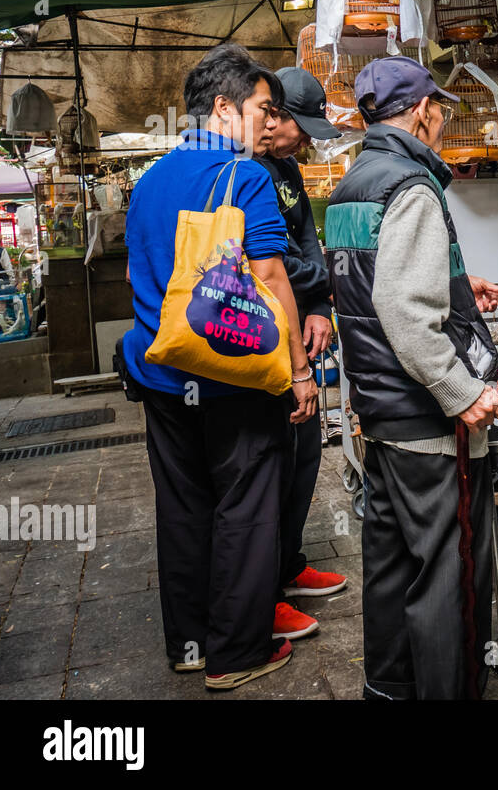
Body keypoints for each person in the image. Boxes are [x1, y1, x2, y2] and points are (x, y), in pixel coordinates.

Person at [121, 44, 318, 690]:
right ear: (225, 106)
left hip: (161, 371)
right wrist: (298, 371)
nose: (270, 121)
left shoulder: (150, 179)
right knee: (246, 505)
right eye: (264, 108)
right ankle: (238, 651)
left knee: (183, 506)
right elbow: (268, 273)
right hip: (232, 375)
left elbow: (141, 276)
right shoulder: (248, 175)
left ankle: (190, 644)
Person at [325, 56, 498, 700]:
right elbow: (405, 312)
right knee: (448, 573)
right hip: (425, 420)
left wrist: (458, 287)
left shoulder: (354, 182)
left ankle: (390, 690)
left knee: (391, 563)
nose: (441, 118)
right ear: (423, 110)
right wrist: (464, 394)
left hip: (379, 410)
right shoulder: (412, 185)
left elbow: (366, 289)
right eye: (439, 107)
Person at [256, 66, 349, 643]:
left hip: (302, 320)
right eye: (302, 127)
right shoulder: (244, 170)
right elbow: (270, 260)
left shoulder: (287, 168)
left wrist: (318, 303)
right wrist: (323, 280)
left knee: (305, 450)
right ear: (275, 116)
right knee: (269, 461)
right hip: (262, 336)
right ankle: (261, 591)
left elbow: (306, 240)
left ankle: (288, 565)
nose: (308, 140)